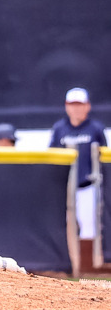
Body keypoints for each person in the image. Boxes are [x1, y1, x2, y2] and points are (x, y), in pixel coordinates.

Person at [50, 87, 108, 248]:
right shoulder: (59, 128)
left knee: (88, 225)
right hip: (63, 188)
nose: (76, 108)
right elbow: (51, 154)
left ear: (87, 106)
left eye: (79, 104)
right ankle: (67, 264)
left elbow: (103, 155)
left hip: (87, 185)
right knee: (63, 225)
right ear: (66, 106)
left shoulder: (95, 128)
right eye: (72, 104)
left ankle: (86, 265)